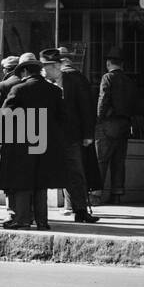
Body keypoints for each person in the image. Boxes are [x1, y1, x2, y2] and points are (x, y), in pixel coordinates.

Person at [0, 53, 67, 230]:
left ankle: (23, 220)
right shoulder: (55, 91)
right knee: (41, 182)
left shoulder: (19, 89)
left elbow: (4, 116)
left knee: (23, 182)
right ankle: (42, 221)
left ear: (26, 71)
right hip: (46, 143)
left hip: (22, 142)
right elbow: (62, 119)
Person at [48, 48, 99, 223]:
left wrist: (87, 134)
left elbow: (86, 108)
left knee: (76, 173)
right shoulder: (44, 83)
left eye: (47, 67)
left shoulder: (74, 81)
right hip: (49, 138)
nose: (44, 70)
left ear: (56, 66)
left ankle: (80, 210)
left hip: (71, 136)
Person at [94, 49, 135, 205]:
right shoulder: (129, 81)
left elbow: (103, 99)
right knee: (119, 161)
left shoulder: (107, 78)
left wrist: (99, 119)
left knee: (101, 160)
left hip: (108, 124)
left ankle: (95, 195)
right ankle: (117, 194)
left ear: (108, 63)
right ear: (122, 64)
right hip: (124, 124)